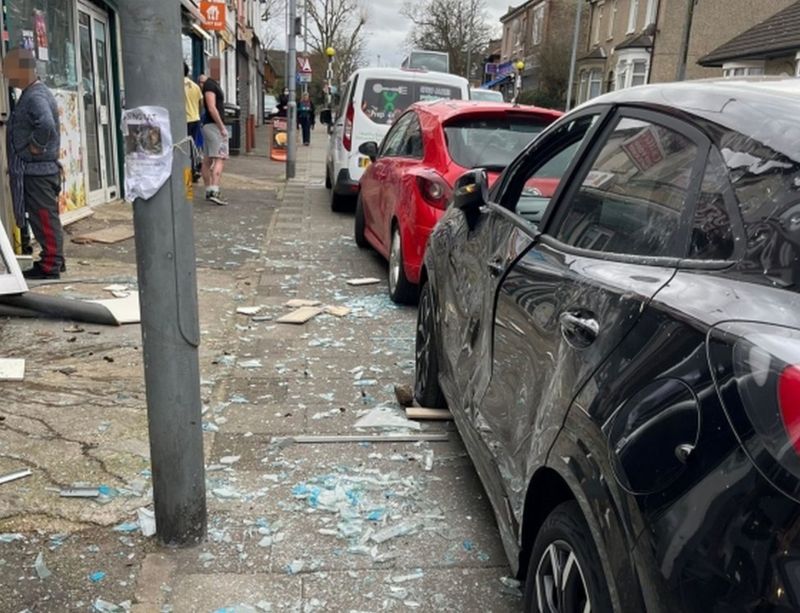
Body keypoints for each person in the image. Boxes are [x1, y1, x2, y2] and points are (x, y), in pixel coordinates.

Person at [4, 47, 63, 279]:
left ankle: (50, 265)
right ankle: (56, 259)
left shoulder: (35, 96)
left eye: (8, 69)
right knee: (46, 215)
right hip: (39, 170)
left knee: (43, 216)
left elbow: (46, 124)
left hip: (37, 171)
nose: (5, 74)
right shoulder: (35, 93)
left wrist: (35, 146)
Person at [197, 73, 228, 206]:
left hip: (208, 126)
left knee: (207, 159)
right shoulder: (210, 85)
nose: (200, 85)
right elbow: (211, 107)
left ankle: (209, 189)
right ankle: (214, 190)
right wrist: (222, 127)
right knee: (220, 158)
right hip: (214, 126)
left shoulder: (208, 86)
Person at [183, 63, 203, 182]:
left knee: (183, 148)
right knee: (193, 145)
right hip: (195, 118)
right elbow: (201, 103)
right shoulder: (195, 86)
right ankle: (195, 167)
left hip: (184, 120)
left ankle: (188, 175)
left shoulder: (177, 85)